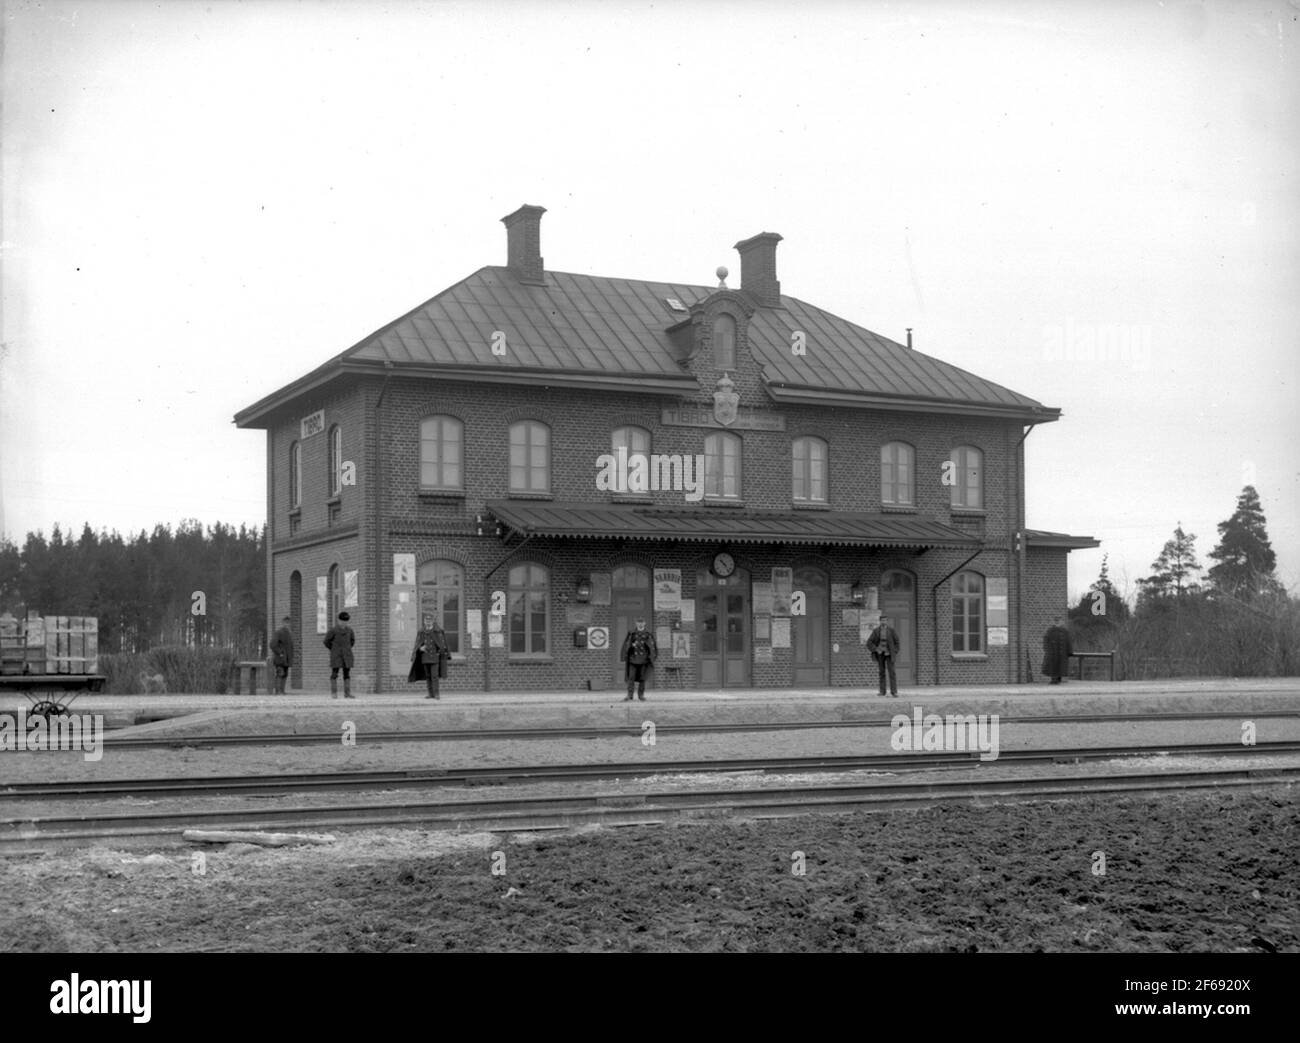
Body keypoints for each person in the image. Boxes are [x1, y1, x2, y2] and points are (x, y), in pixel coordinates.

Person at [408, 614, 450, 699]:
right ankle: (430, 694)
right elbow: (417, 644)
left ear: (432, 621)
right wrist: (420, 648)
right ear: (424, 621)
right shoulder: (421, 631)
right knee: (428, 676)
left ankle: (436, 694)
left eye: (429, 621)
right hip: (425, 657)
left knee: (434, 676)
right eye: (426, 621)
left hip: (435, 657)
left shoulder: (438, 631)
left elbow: (442, 644)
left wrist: (440, 652)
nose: (428, 622)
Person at [620, 617, 657, 702]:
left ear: (644, 624)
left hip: (644, 659)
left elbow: (652, 647)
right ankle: (630, 695)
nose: (640, 624)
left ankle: (641, 695)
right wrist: (631, 646)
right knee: (631, 678)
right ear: (636, 624)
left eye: (642, 622)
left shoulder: (648, 634)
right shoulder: (632, 633)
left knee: (642, 678)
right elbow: (626, 645)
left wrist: (650, 657)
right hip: (633, 659)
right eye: (638, 622)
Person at [866, 614, 900, 697]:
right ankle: (882, 691)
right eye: (882, 620)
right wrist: (876, 649)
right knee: (881, 673)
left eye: (885, 620)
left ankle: (894, 692)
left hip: (889, 654)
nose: (883, 622)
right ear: (880, 621)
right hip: (880, 654)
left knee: (892, 672)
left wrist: (894, 651)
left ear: (887, 621)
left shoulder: (891, 631)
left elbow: (897, 643)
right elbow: (869, 642)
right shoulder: (876, 631)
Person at [324, 611, 356, 699]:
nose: (344, 623)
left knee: (347, 674)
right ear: (339, 620)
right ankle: (334, 693)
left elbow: (352, 641)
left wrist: (347, 648)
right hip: (336, 655)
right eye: (342, 621)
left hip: (347, 655)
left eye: (346, 621)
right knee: (334, 673)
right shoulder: (333, 630)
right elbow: (326, 642)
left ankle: (347, 693)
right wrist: (333, 649)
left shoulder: (350, 630)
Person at [1042, 615, 1073, 685]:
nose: (1057, 622)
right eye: (1056, 621)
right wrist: (1047, 649)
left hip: (1062, 653)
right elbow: (1046, 640)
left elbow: (1068, 641)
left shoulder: (1065, 631)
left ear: (1061, 622)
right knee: (1053, 666)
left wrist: (1070, 651)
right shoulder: (1050, 631)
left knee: (1061, 666)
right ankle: (1054, 679)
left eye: (1058, 621)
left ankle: (1058, 678)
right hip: (1053, 652)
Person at [270, 615, 294, 695]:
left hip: (286, 658)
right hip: (279, 658)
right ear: (283, 623)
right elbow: (273, 644)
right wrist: (280, 653)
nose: (288, 624)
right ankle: (278, 691)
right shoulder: (278, 632)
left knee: (285, 674)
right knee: (280, 673)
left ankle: (282, 691)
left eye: (289, 623)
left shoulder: (289, 633)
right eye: (286, 623)